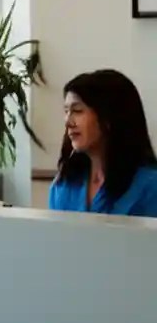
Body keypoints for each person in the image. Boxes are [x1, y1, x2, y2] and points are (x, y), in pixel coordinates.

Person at [49, 69, 157, 217]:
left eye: (78, 110)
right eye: (66, 111)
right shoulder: (64, 184)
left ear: (109, 117)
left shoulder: (150, 186)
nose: (68, 122)